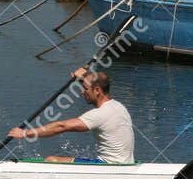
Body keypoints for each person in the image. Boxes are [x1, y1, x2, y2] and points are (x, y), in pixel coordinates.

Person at [7, 68, 135, 163]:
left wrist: (25, 133)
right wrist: (83, 76)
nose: (82, 92)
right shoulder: (119, 107)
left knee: (51, 160)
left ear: (97, 91)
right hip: (125, 164)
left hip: (108, 167)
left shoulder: (99, 114)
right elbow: (94, 82)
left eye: (85, 89)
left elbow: (61, 126)